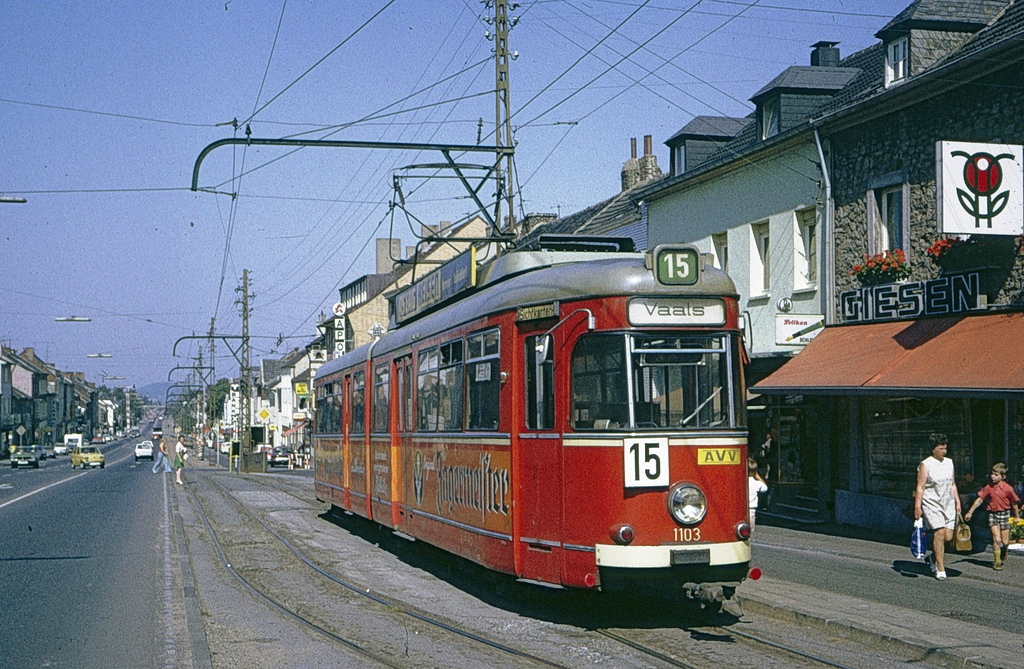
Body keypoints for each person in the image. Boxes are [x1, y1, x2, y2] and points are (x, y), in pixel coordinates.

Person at [914, 433, 961, 580]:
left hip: (947, 502)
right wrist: (917, 506)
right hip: (931, 502)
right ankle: (940, 568)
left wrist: (957, 501)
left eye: (945, 448)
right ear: (933, 449)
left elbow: (952, 484)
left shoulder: (949, 462)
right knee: (939, 534)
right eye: (941, 448)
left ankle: (932, 557)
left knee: (948, 536)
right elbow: (920, 487)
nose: (944, 451)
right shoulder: (925, 464)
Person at [964, 462, 1021, 570]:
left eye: (996, 475)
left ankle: (1004, 550)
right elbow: (980, 499)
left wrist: (1017, 516)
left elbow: (1014, 503)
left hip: (1004, 513)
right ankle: (997, 561)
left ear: (1003, 477)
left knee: (1005, 541)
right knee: (996, 539)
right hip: (992, 514)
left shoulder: (1008, 488)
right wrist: (970, 511)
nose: (992, 476)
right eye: (992, 474)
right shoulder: (989, 487)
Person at [748, 457, 768, 529]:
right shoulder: (756, 483)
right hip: (751, 509)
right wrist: (758, 476)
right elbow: (765, 488)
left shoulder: (740, 481)